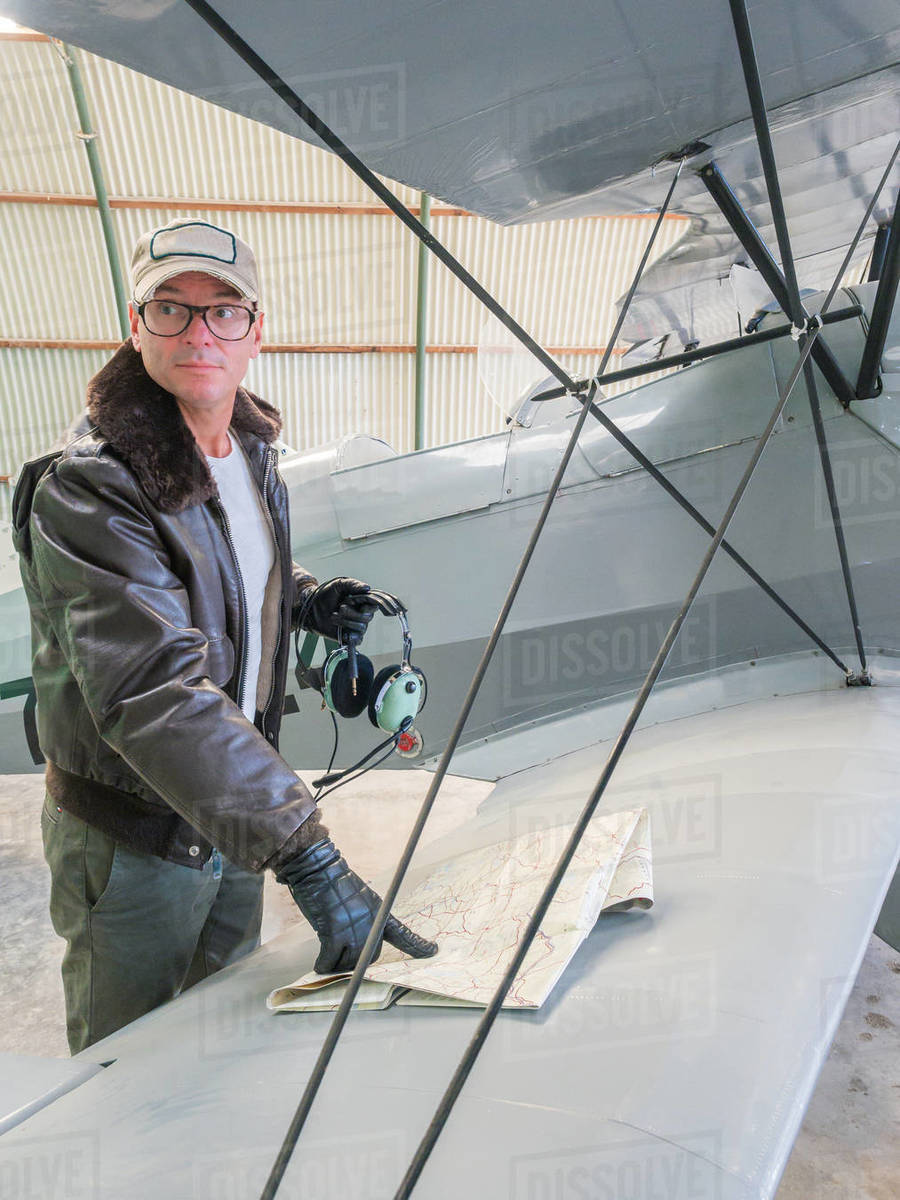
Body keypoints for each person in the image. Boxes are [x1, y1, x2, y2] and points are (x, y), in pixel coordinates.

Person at [12, 217, 436, 1054]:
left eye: (224, 310)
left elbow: (223, 574)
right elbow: (152, 690)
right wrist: (307, 855)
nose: (199, 332)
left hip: (230, 822)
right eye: (171, 309)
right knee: (126, 1072)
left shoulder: (246, 452)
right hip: (133, 840)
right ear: (137, 327)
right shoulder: (90, 486)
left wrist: (304, 599)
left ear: (255, 332)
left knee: (223, 1053)